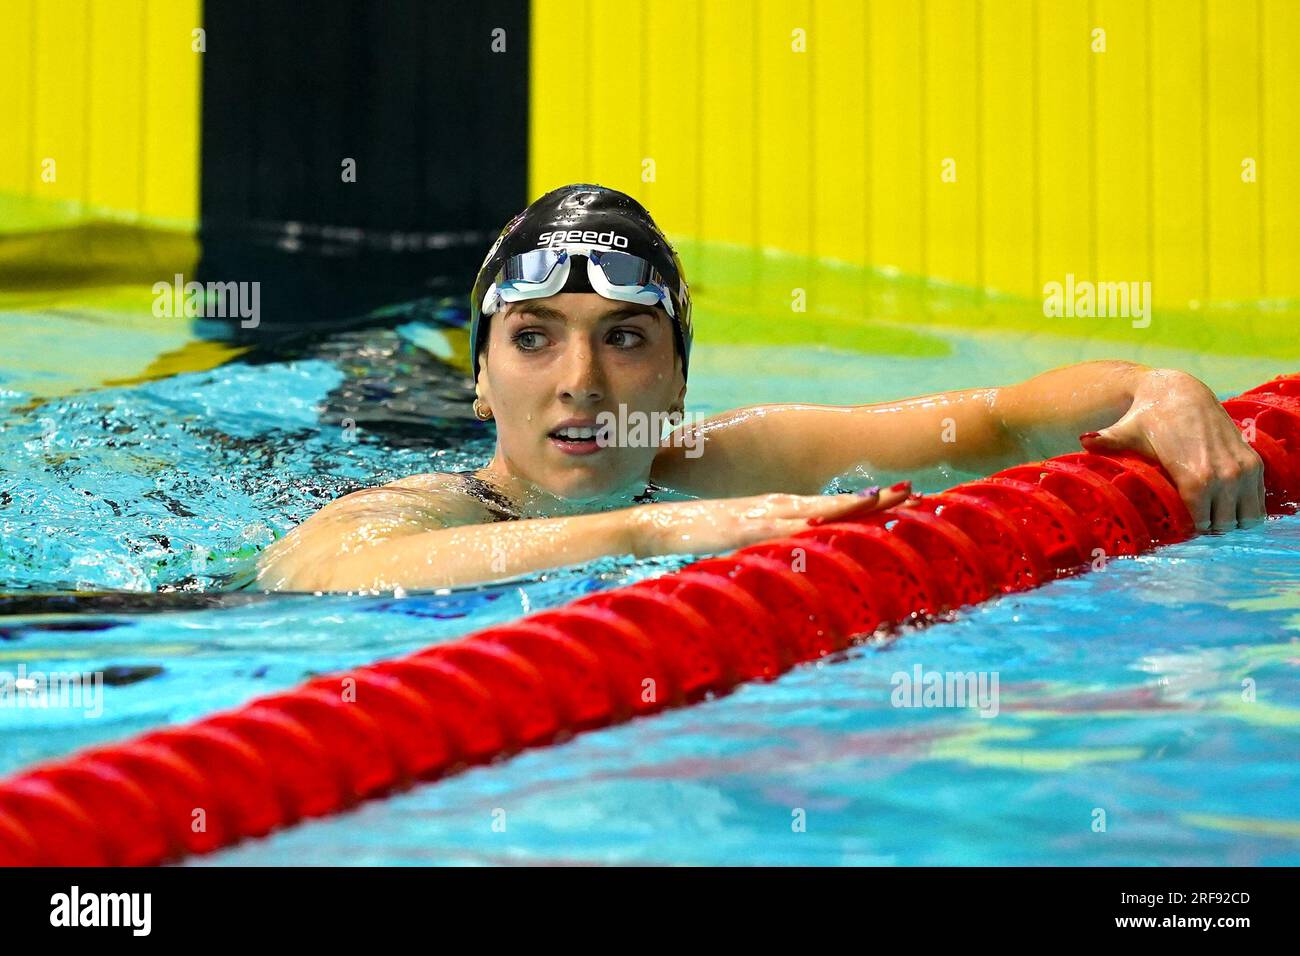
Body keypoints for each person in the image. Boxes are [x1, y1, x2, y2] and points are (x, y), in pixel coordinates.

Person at [255, 184, 1265, 593]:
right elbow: (313, 567)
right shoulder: (436, 506)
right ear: (481, 380)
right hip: (335, 442)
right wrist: (647, 533)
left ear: (679, 376)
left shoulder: (725, 458)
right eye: (531, 338)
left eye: (624, 337)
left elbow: (996, 417)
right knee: (367, 373)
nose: (581, 383)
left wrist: (1155, 382)